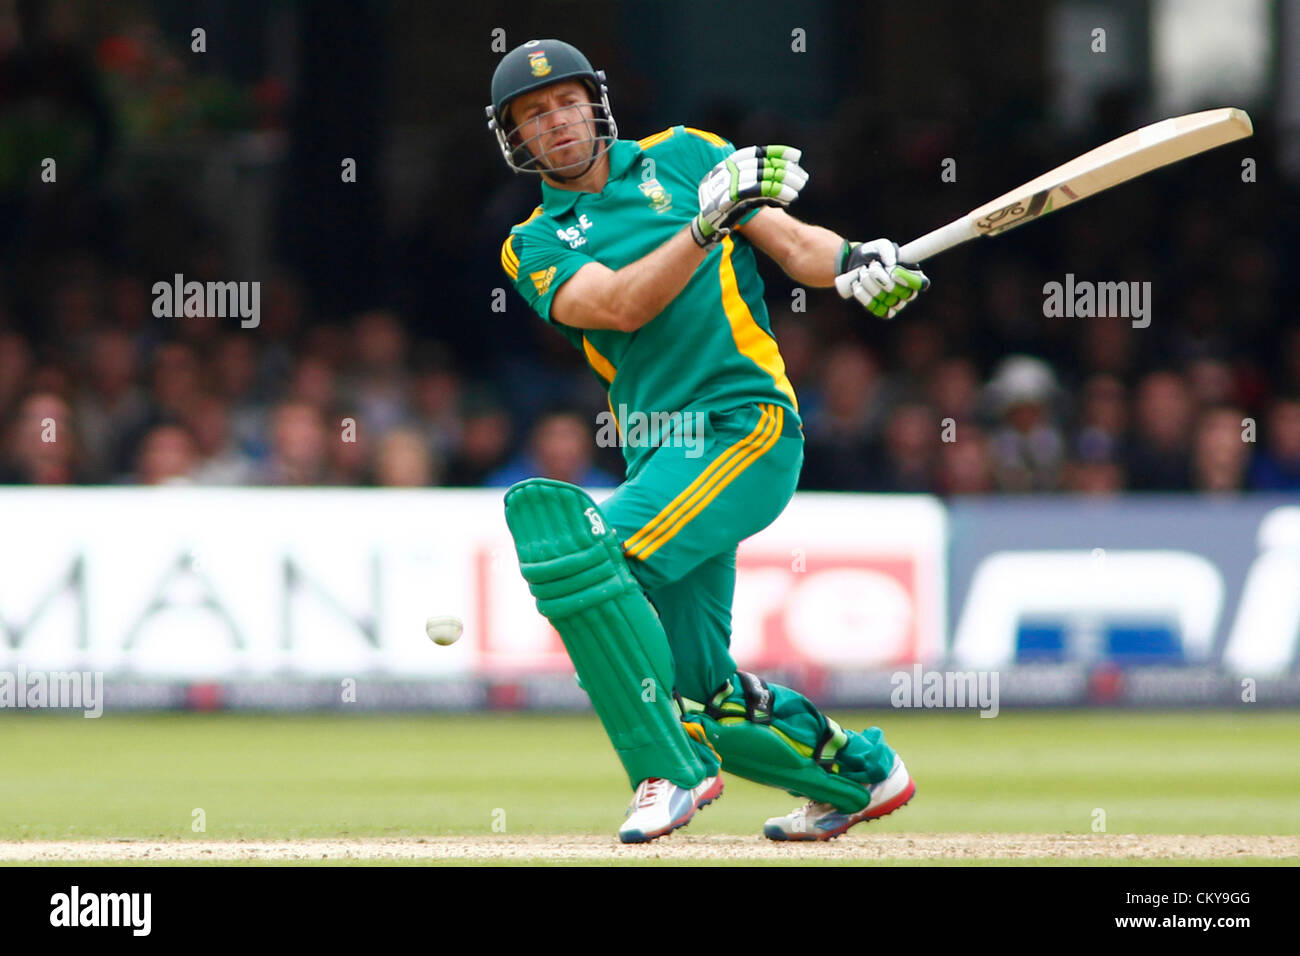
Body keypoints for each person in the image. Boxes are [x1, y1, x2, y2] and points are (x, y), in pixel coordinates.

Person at [488, 39, 929, 843]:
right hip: (662, 450)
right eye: (534, 114)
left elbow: (797, 248)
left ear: (596, 102)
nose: (557, 121)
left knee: (587, 560)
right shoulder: (535, 243)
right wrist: (702, 226)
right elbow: (621, 305)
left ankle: (668, 771)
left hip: (743, 423)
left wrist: (858, 260)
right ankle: (857, 774)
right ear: (516, 139)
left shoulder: (689, 156)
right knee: (696, 683)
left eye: (566, 102)